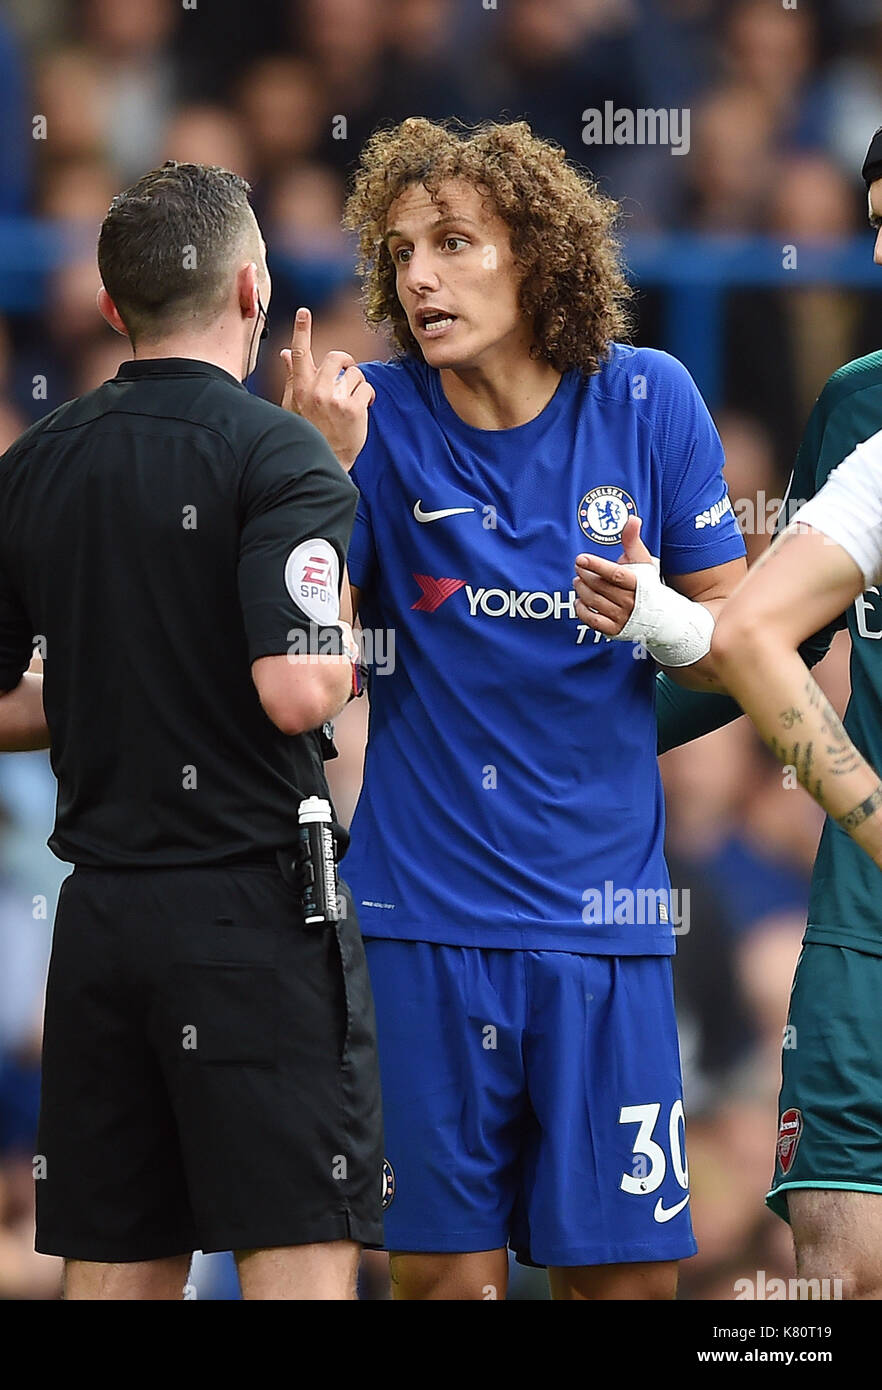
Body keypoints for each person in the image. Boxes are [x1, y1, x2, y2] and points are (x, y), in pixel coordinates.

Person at [281, 117, 747, 1300]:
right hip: (418, 922)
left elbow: (741, 650)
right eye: (398, 254)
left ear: (538, 256)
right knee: (447, 1286)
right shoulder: (371, 421)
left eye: (453, 242)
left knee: (631, 1285)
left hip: (605, 926)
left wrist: (657, 618)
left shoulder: (648, 400)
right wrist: (314, 479)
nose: (419, 276)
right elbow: (298, 660)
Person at [0, 162, 383, 1301]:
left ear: (110, 307)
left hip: (99, 924)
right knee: (297, 1258)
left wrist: (110, 684)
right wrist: (329, 475)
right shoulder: (284, 456)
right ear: (252, 288)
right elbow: (296, 690)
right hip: (250, 913)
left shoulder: (26, 465)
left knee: (118, 1270)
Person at [704, 126, 882, 1301]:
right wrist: (573, 689)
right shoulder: (859, 416)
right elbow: (762, 634)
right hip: (863, 918)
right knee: (839, 1279)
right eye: (874, 222)